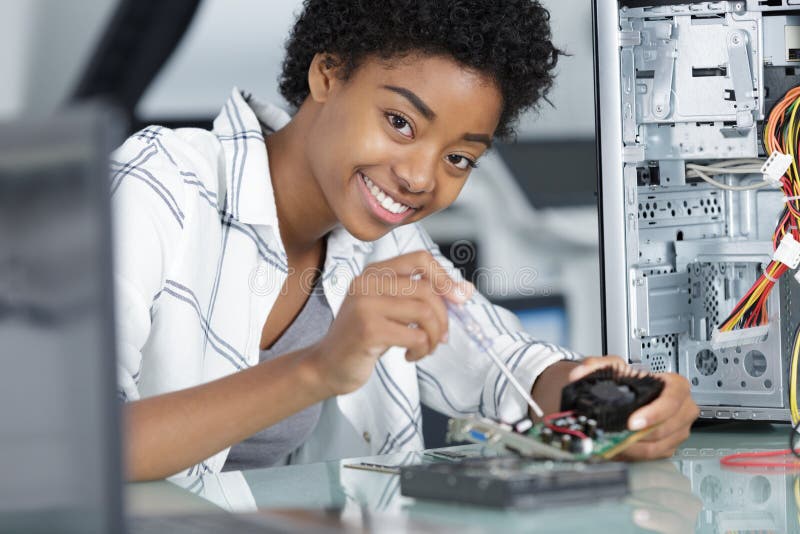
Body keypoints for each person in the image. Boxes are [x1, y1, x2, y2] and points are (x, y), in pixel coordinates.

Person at [113, 0, 699, 481]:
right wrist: (318, 368)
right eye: (400, 122)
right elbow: (69, 451)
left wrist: (606, 401)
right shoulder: (158, 185)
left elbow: (509, 370)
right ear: (327, 73)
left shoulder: (384, 247)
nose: (421, 177)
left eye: (459, 157)